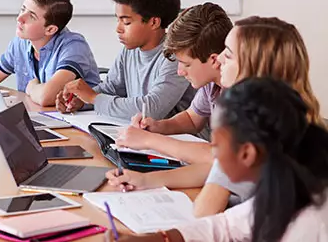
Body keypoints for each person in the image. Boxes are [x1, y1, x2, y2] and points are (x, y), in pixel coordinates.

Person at [107, 16, 324, 217]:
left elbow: (206, 209)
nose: (218, 59)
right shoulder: (270, 117)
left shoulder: (261, 127)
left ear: (252, 68)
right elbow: (218, 169)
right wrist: (146, 180)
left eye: (227, 54)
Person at [104, 78, 328, 242]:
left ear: (247, 154)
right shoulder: (283, 187)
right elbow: (225, 226)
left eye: (216, 145)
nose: (212, 153)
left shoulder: (311, 223)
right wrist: (153, 239)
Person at [56, 0, 195, 120]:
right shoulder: (130, 51)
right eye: (118, 20)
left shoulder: (175, 57)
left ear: (154, 22)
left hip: (175, 138)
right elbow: (112, 88)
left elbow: (152, 108)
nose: (118, 29)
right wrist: (81, 100)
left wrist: (93, 98)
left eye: (126, 22)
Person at [114, 3, 233, 164]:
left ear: (214, 60)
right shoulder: (211, 83)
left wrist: (150, 140)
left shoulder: (241, 93)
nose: (180, 72)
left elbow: (222, 157)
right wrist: (158, 127)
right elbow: (192, 119)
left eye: (187, 64)